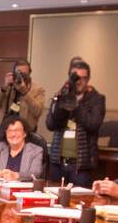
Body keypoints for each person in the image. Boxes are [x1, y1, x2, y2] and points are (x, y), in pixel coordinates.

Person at [45, 58, 105, 186]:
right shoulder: (61, 95)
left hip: (81, 165)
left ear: (88, 79)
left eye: (83, 78)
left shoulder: (96, 99)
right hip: (58, 162)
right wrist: (61, 102)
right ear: (69, 78)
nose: (79, 81)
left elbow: (93, 125)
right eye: (76, 77)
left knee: (79, 201)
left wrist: (76, 106)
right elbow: (50, 125)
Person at [0, 59, 47, 147]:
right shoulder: (8, 87)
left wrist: (25, 92)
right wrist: (3, 88)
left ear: (29, 74)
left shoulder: (38, 90)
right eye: (18, 73)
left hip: (25, 138)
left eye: (24, 74)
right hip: (3, 135)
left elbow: (38, 111)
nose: (21, 77)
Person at [0, 116, 45, 181]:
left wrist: (16, 175)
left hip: (23, 189)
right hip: (0, 188)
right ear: (6, 133)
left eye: (17, 130)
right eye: (10, 131)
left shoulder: (36, 150)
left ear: (24, 133)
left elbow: (36, 173)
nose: (13, 134)